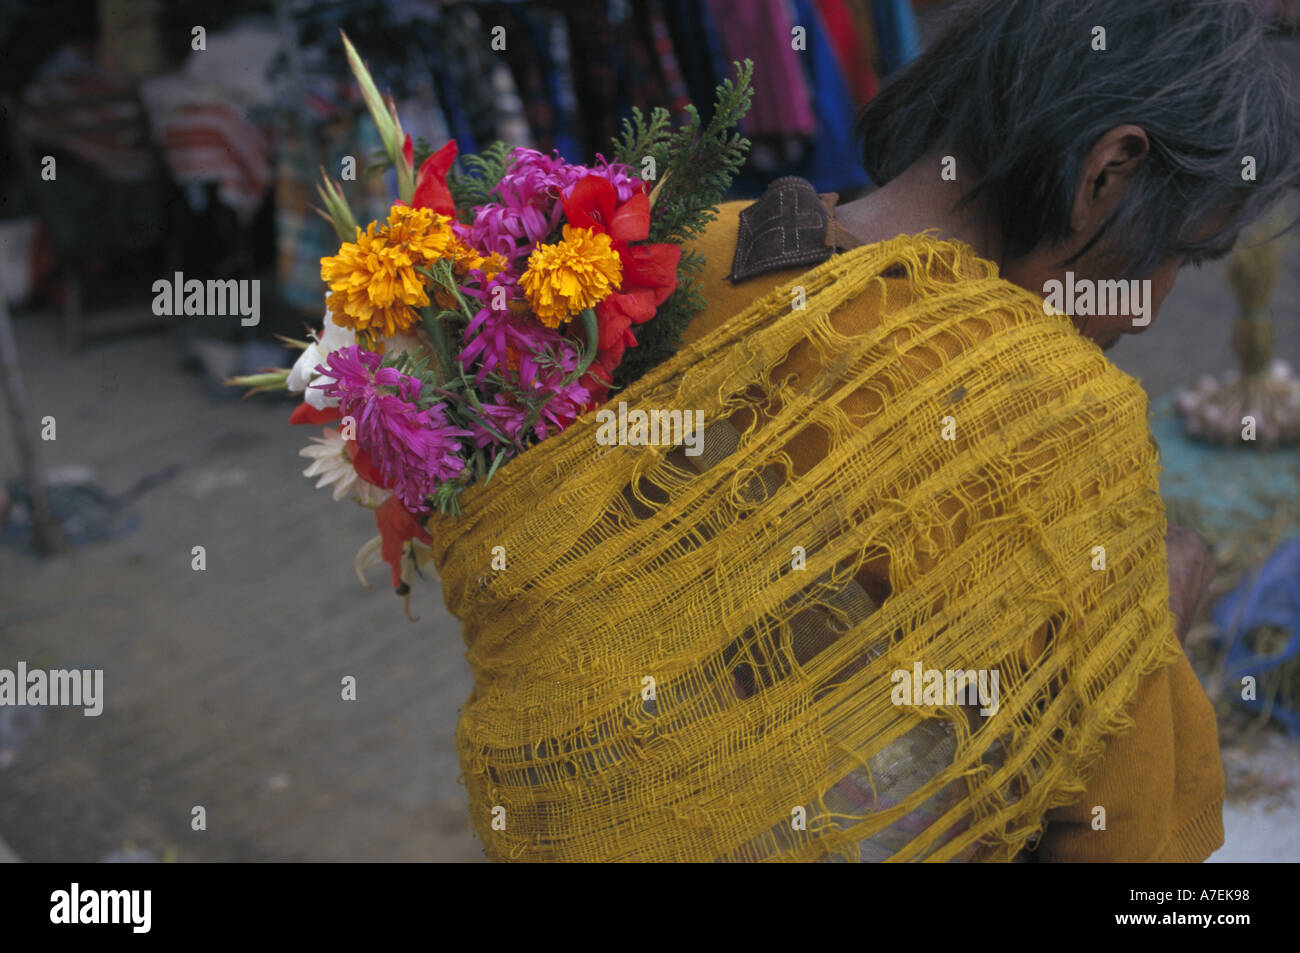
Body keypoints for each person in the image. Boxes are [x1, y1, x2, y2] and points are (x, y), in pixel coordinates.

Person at [679, 0, 1299, 860]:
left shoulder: (679, 265)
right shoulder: (1061, 436)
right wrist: (1148, 616)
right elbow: (1114, 844)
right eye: (1178, 255)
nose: (1152, 310)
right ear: (1107, 173)